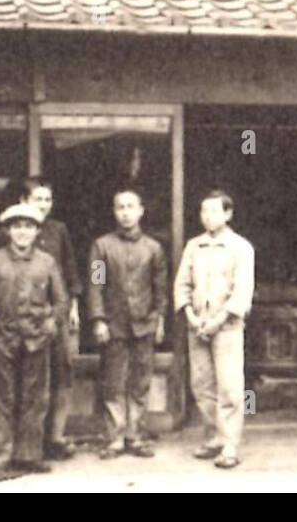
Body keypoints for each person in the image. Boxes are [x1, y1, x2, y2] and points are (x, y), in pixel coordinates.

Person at [0, 203, 68, 481]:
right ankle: (1, 460)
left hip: (37, 341)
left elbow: (61, 300)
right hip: (3, 341)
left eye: (28, 226)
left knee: (35, 400)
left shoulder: (47, 262)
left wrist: (51, 326)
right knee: (1, 400)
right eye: (17, 226)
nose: (22, 232)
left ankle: (29, 456)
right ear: (8, 231)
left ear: (37, 231)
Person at [174, 189, 255, 470]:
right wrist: (191, 316)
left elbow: (242, 290)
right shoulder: (193, 246)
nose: (207, 216)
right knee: (202, 385)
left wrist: (218, 320)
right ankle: (214, 438)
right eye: (203, 211)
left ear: (228, 214)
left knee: (230, 387)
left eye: (214, 211)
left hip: (227, 326)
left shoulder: (241, 248)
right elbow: (182, 284)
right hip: (197, 326)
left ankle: (230, 444)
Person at [87, 187, 167, 459]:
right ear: (114, 211)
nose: (125, 213)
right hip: (114, 325)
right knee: (114, 383)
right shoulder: (102, 246)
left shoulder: (154, 249)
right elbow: (95, 286)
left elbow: (160, 289)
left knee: (140, 382)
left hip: (144, 324)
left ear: (141, 210)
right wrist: (98, 319)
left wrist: (159, 319)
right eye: (120, 207)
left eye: (130, 206)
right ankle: (115, 438)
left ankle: (136, 436)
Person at [19, 175, 82, 460]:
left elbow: (71, 271)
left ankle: (55, 437)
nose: (44, 205)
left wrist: (73, 307)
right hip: (27, 318)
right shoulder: (12, 231)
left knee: (62, 373)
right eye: (37, 199)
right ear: (23, 202)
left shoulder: (59, 230)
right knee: (31, 379)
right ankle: (30, 443)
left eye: (47, 200)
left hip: (57, 315)